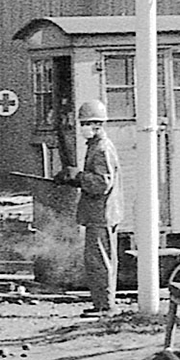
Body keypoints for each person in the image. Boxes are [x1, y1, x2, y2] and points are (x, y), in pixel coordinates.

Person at [55, 99, 124, 316]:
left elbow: (102, 183)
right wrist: (75, 179)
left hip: (101, 213)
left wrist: (79, 176)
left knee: (99, 261)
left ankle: (105, 306)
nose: (83, 128)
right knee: (101, 259)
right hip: (102, 212)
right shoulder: (96, 146)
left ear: (98, 124)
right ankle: (103, 304)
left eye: (87, 123)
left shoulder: (101, 148)